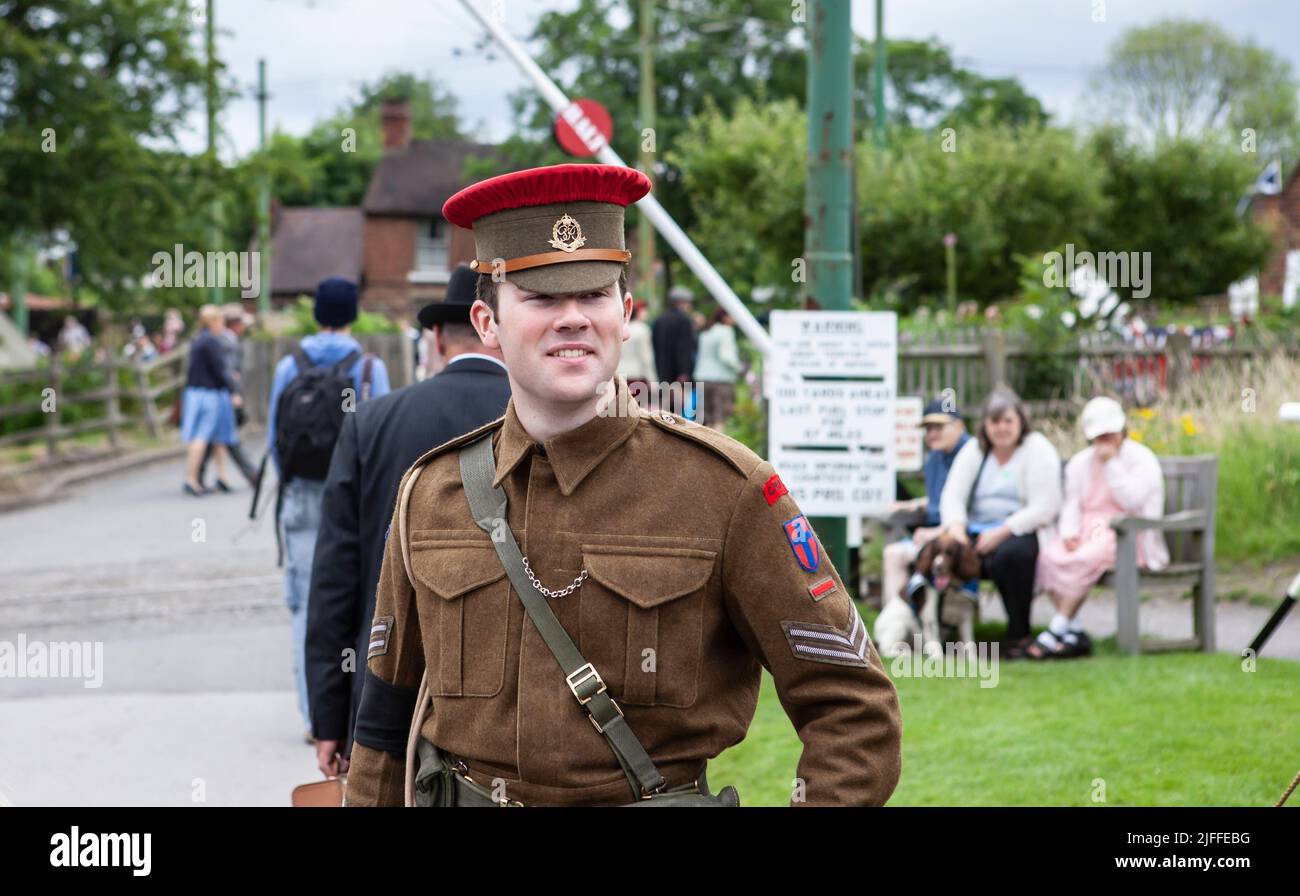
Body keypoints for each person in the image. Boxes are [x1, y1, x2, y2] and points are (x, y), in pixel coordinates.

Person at [344, 163, 901, 807]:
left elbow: (852, 706)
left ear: (627, 311)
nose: (574, 319)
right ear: (488, 322)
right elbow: (385, 721)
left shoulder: (725, 490)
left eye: (595, 295)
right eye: (543, 298)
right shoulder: (431, 494)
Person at [306, 265, 510, 777]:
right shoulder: (534, 416)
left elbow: (335, 580)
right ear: (498, 330)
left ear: (436, 336)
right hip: (506, 697)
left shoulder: (371, 422)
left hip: (385, 690)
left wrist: (329, 715)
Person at [267, 277, 391, 740]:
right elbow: (381, 436)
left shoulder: (288, 366)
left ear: (316, 313)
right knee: (360, 600)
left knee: (305, 606)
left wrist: (293, 482)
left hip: (302, 493)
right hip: (355, 499)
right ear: (353, 314)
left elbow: (274, 442)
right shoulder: (368, 367)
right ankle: (357, 711)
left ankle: (311, 716)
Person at [1027, 397, 1169, 659]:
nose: (1104, 441)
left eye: (1109, 434)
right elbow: (1072, 502)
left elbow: (1134, 501)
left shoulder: (1140, 459)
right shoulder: (1080, 463)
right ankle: (1073, 631)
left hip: (1127, 534)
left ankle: (1057, 628)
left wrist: (1112, 464)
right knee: (1049, 555)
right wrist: (1069, 532)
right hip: (1085, 530)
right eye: (1099, 436)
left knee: (1086, 558)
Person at [938, 386, 1063, 657]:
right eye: (995, 421)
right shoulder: (975, 450)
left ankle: (1018, 636)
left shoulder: (1036, 449)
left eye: (1008, 421)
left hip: (1021, 527)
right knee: (944, 552)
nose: (1002, 428)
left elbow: (1045, 505)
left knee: (1010, 556)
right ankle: (943, 632)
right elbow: (953, 494)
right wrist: (957, 527)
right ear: (985, 424)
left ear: (1020, 422)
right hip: (976, 527)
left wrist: (1003, 531)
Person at [875, 398, 972, 650]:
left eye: (939, 427)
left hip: (960, 535)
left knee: (912, 552)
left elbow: (968, 504)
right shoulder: (934, 460)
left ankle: (929, 631)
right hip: (933, 535)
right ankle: (896, 627)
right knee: (893, 553)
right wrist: (914, 505)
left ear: (959, 426)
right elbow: (940, 499)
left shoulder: (972, 454)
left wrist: (937, 531)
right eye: (928, 428)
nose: (932, 433)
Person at [180, 305, 238, 497]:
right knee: (202, 436)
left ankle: (222, 476)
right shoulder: (211, 343)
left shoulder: (197, 341)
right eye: (220, 321)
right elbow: (221, 371)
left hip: (197, 392)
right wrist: (233, 391)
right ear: (212, 321)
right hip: (209, 394)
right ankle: (191, 478)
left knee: (218, 437)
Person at [199, 304, 258, 491]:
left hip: (222, 393)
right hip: (222, 394)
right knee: (226, 435)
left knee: (215, 436)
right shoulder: (224, 342)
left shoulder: (224, 340)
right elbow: (226, 371)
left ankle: (199, 475)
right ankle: (251, 473)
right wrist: (233, 392)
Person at [693, 307, 743, 430]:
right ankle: (717, 449)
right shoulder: (726, 331)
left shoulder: (706, 331)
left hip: (702, 378)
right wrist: (739, 367)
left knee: (708, 421)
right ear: (725, 317)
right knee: (720, 420)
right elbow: (726, 356)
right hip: (721, 381)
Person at [651, 285, 697, 414]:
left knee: (665, 411)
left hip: (661, 372)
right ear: (682, 303)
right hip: (679, 376)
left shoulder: (659, 320)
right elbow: (685, 349)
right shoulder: (685, 321)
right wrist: (684, 373)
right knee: (681, 412)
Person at [615, 299, 655, 406]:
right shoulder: (643, 330)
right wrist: (652, 379)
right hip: (637, 375)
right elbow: (645, 357)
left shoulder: (622, 328)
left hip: (619, 373)